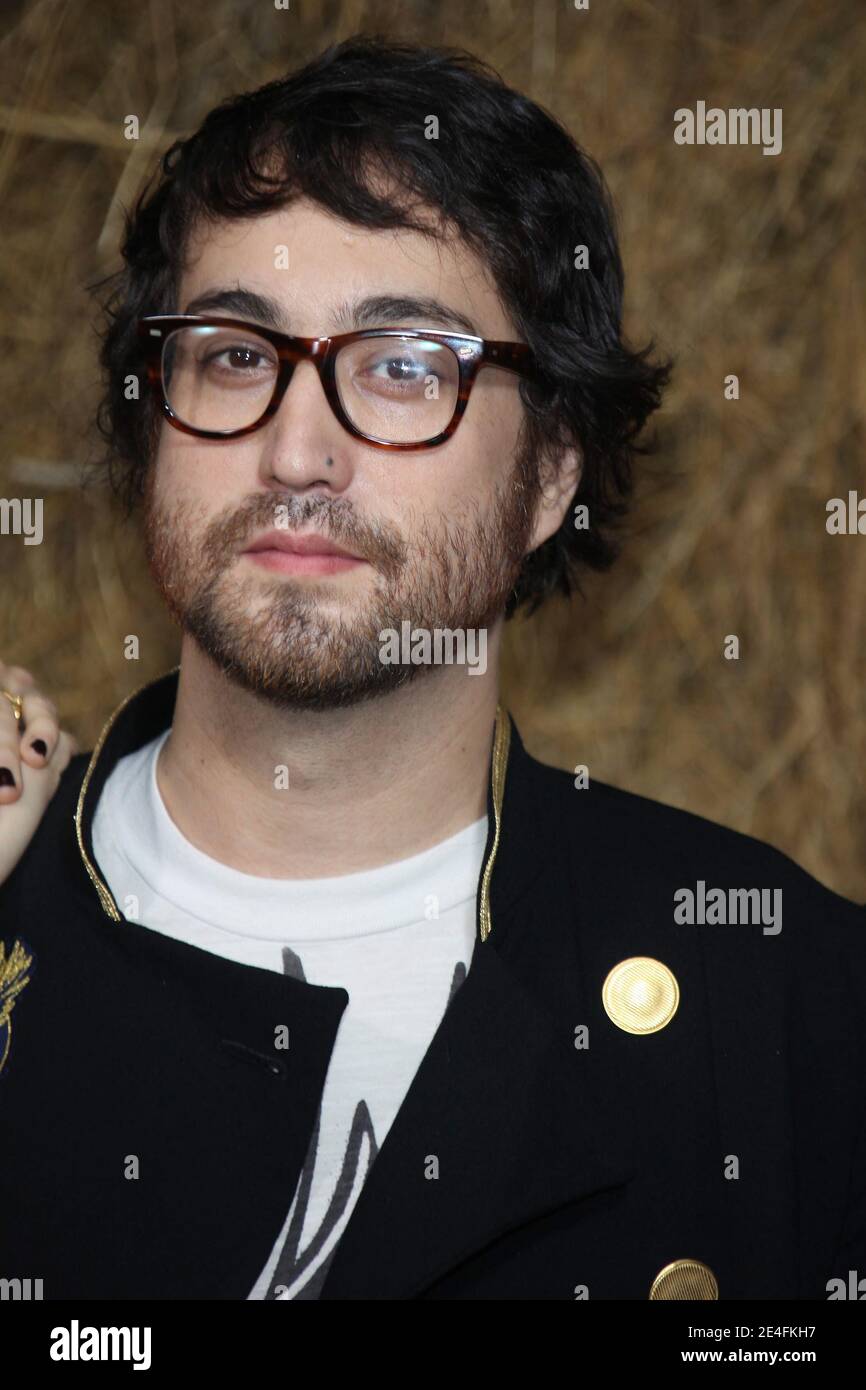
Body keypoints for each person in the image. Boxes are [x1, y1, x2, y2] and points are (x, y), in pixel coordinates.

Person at [2, 34, 864, 1302]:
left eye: (404, 368)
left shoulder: (792, 1008)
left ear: (549, 479)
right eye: (237, 355)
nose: (299, 450)